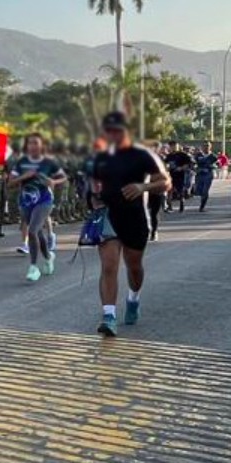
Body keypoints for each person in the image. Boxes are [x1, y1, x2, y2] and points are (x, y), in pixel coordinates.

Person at [88, 112, 169, 337]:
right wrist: (94, 198)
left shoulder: (142, 155)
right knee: (109, 266)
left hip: (135, 218)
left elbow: (165, 182)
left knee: (134, 268)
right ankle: (109, 316)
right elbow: (93, 183)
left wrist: (143, 188)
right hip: (108, 216)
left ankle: (133, 298)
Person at [8, 133, 67, 281]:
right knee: (38, 233)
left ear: (42, 146)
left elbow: (63, 177)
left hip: (44, 200)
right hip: (26, 201)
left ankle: (33, 267)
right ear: (27, 146)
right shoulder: (21, 163)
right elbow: (10, 184)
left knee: (32, 230)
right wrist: (24, 176)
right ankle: (48, 257)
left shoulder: (48, 163)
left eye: (36, 143)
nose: (33, 146)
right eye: (30, 143)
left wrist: (53, 182)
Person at [165, 141, 192, 213]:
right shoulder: (169, 156)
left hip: (180, 176)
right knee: (169, 191)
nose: (173, 147)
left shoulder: (182, 155)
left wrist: (181, 168)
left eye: (175, 146)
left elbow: (188, 163)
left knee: (180, 191)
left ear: (178, 146)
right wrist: (166, 168)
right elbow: (165, 164)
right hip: (171, 176)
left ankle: (182, 204)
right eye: (171, 146)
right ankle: (169, 207)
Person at [193, 141, 218, 212]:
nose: (206, 147)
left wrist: (213, 166)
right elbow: (193, 162)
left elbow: (218, 164)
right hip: (199, 174)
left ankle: (202, 206)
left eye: (207, 146)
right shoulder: (198, 155)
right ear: (202, 147)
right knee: (199, 191)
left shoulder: (213, 156)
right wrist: (194, 167)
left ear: (210, 147)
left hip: (208, 174)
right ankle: (202, 199)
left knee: (205, 190)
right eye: (204, 146)